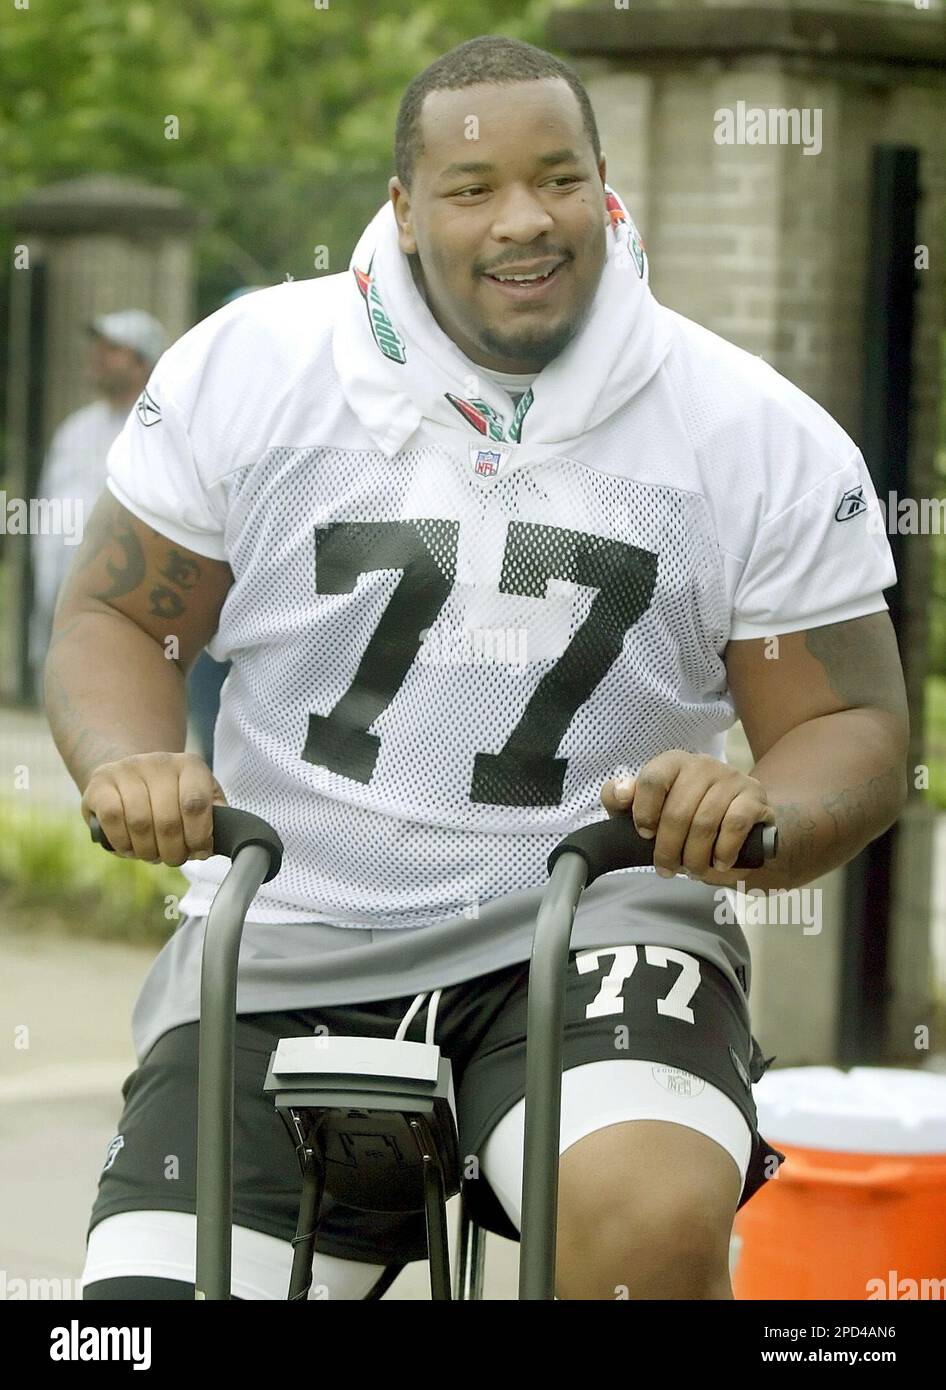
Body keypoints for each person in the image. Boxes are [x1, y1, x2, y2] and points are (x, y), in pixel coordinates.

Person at [44, 36, 908, 1301]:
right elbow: (116, 617)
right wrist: (128, 759)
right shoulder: (252, 368)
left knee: (643, 1225)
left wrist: (761, 807)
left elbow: (851, 719)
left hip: (589, 919)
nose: (523, 220)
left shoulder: (747, 427)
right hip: (290, 926)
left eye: (558, 179)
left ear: (604, 187)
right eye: (472, 188)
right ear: (403, 208)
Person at [29, 311, 167, 696]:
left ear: (141, 361)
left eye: (113, 349)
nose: (98, 356)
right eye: (98, 347)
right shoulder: (76, 428)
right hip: (60, 595)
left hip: (126, 600)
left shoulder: (159, 426)